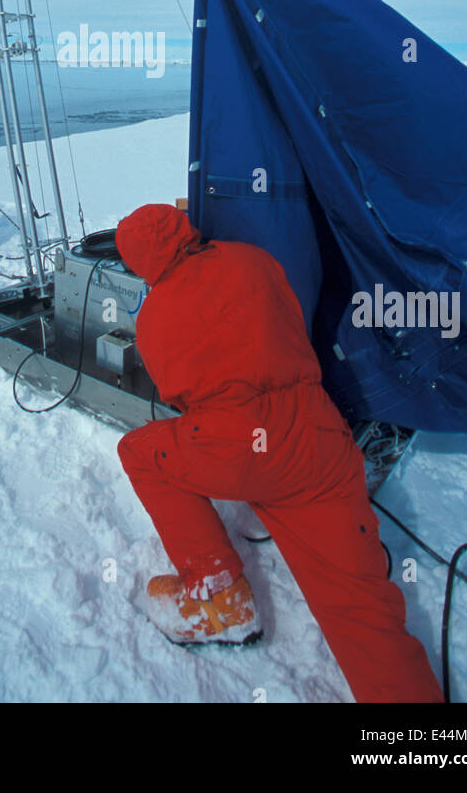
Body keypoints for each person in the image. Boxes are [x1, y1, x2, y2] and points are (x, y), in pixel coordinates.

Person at [114, 203, 444, 704]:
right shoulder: (253, 260)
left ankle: (219, 592)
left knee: (140, 453)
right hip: (319, 440)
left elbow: (180, 400)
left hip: (239, 449)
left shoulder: (154, 319)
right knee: (362, 612)